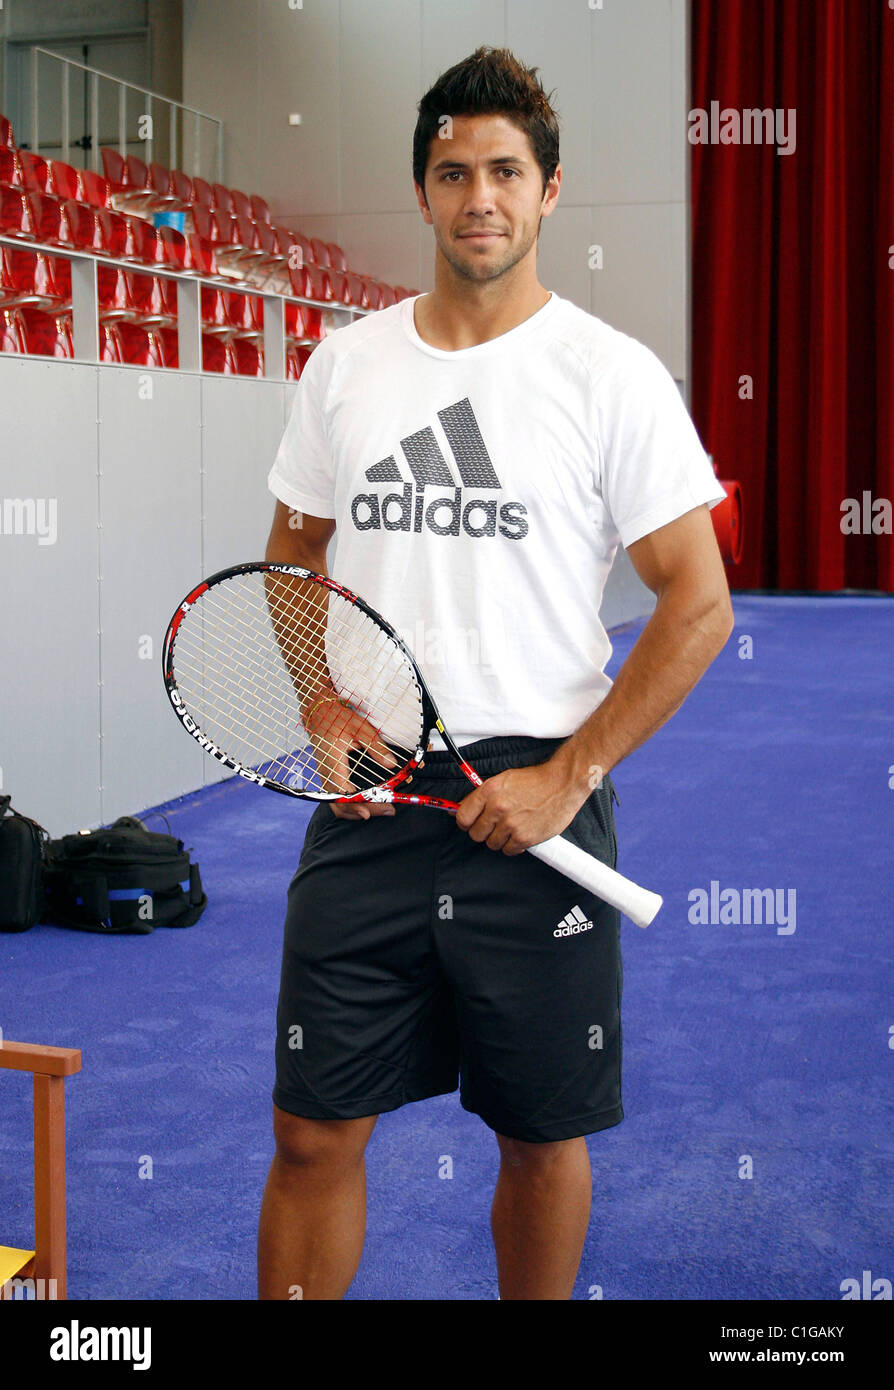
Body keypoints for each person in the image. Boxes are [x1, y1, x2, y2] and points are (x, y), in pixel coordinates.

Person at [257, 46, 733, 1301]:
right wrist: (320, 697)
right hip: (374, 804)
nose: (480, 196)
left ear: (550, 191)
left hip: (538, 811)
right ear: (421, 193)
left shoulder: (608, 375)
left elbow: (700, 602)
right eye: (454, 171)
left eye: (505, 172)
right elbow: (292, 552)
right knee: (311, 1129)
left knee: (539, 1137)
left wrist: (569, 776)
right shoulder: (346, 367)